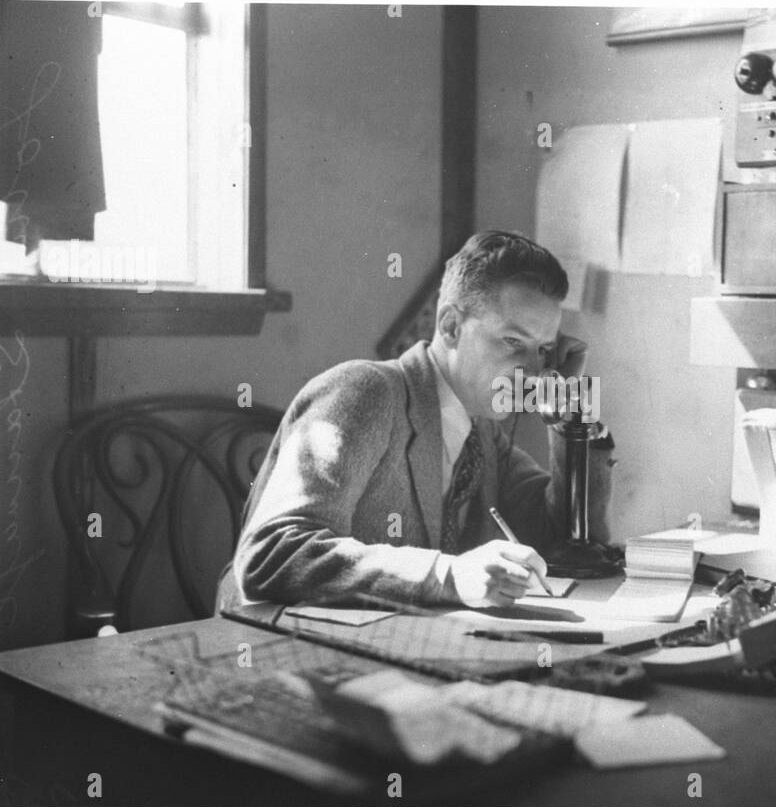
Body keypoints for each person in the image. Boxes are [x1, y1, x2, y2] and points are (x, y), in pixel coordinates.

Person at [216, 230, 616, 613]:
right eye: (513, 342)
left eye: (544, 349)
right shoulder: (367, 392)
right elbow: (270, 554)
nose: (533, 371)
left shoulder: (481, 432)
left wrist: (571, 410)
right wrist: (448, 575)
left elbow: (566, 542)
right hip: (274, 648)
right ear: (451, 326)